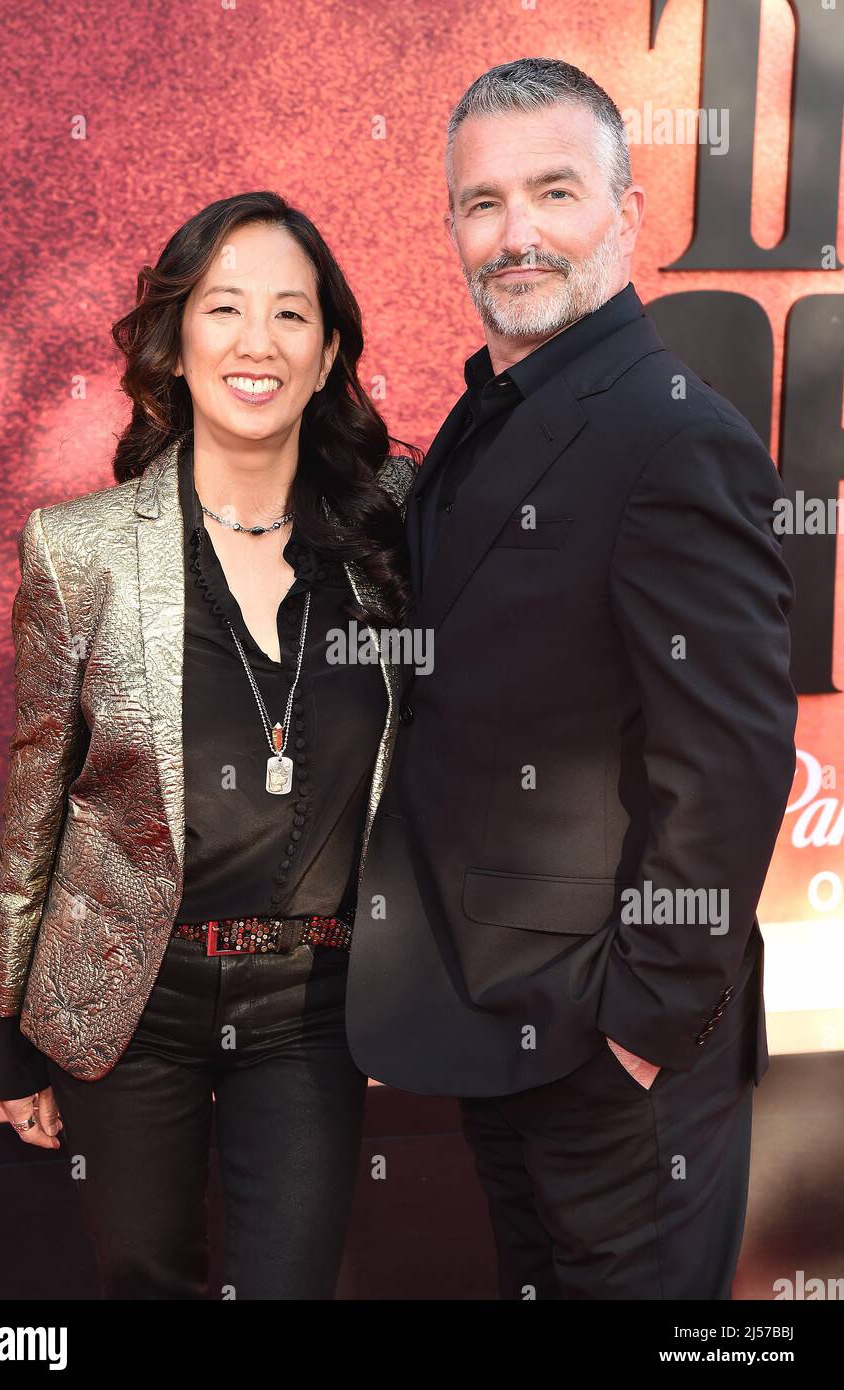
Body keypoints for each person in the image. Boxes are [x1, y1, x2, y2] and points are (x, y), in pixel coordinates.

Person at [344, 58, 798, 1299]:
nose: (517, 232)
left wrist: (642, 1030)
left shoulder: (669, 432)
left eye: (553, 190)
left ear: (629, 213)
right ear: (449, 226)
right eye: (482, 203)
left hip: (617, 1043)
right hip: (493, 1014)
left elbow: (729, 761)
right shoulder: (501, 411)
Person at [0, 191, 418, 1300]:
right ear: (175, 346)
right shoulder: (78, 550)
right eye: (224, 308)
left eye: (290, 314)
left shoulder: (390, 539)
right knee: (142, 1277)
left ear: (327, 357)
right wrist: (6, 1022)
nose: (256, 342)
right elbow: (37, 794)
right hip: (132, 991)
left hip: (312, 998)